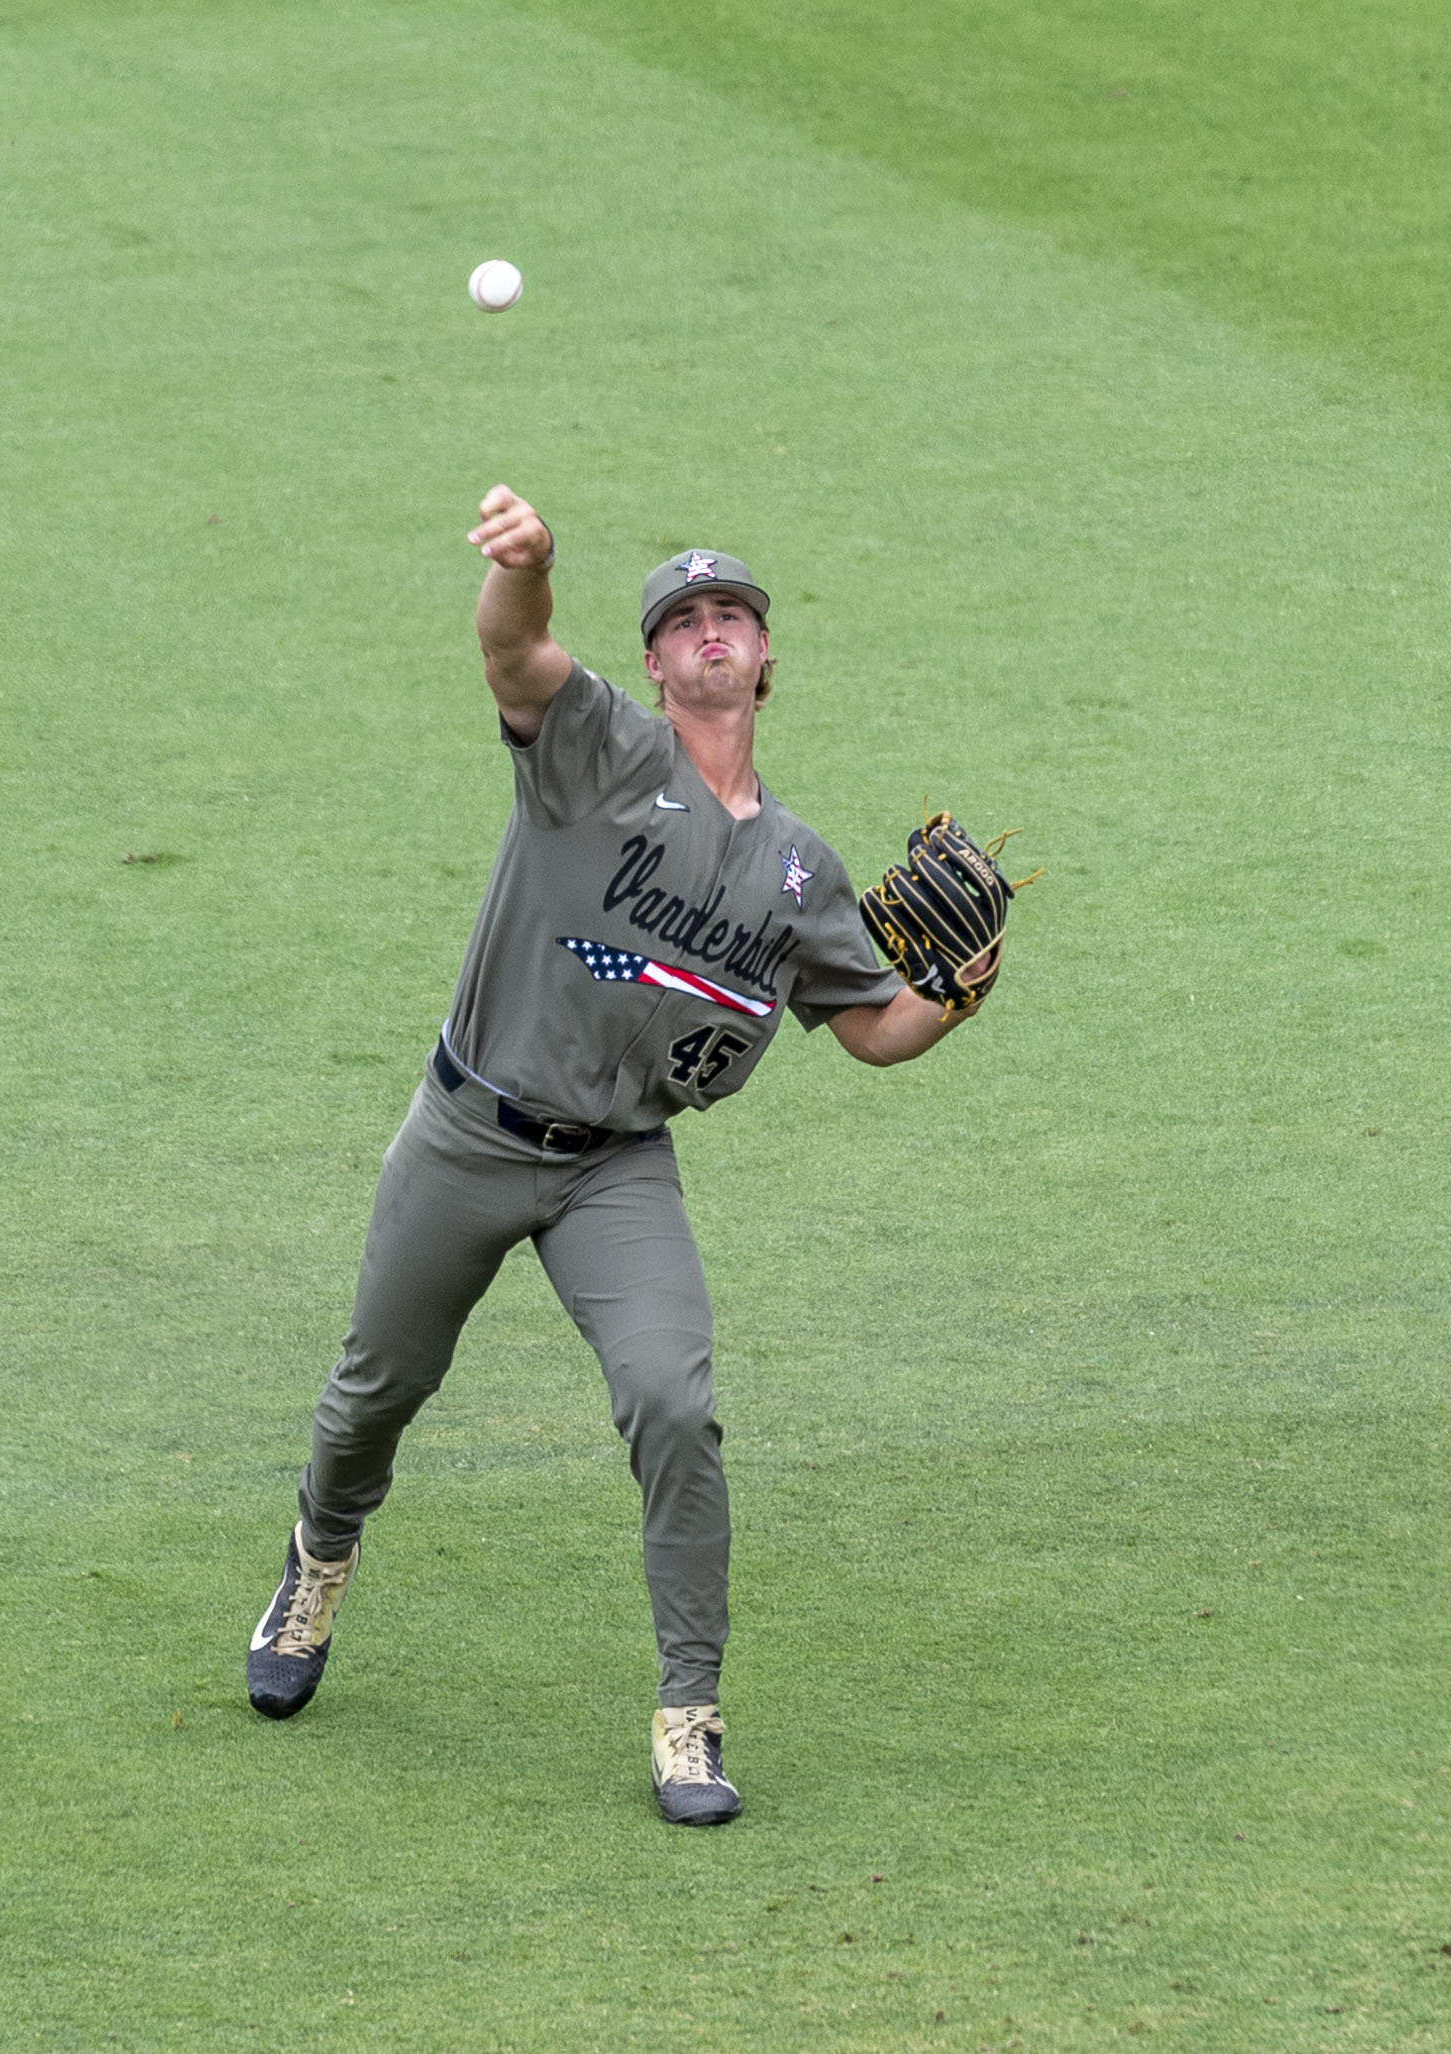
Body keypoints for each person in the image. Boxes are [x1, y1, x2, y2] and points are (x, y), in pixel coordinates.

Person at [246, 485, 968, 1824]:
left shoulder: (803, 873)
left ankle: (688, 1716)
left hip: (614, 1169)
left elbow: (873, 1027)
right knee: (374, 1391)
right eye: (682, 617)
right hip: (470, 1126)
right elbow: (513, 652)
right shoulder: (598, 750)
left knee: (674, 1405)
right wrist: (530, 565)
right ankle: (319, 1554)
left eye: (730, 615)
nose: (708, 630)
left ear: (763, 655)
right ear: (650, 659)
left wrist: (958, 993)